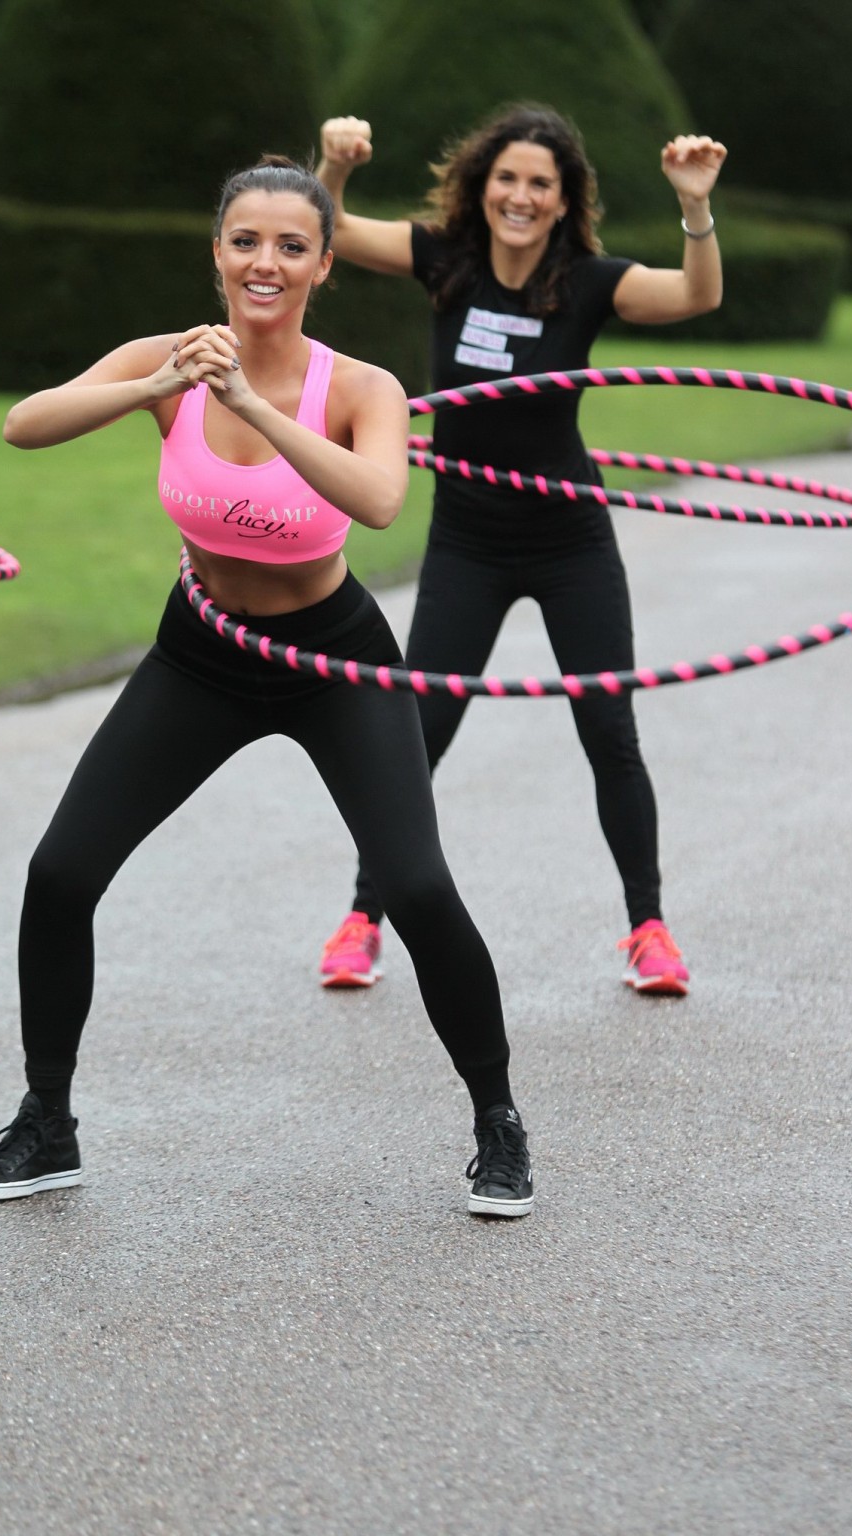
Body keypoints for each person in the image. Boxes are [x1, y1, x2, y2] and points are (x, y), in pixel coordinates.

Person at [0, 156, 533, 1218]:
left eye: (288, 245)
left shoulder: (362, 387)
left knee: (412, 886)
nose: (262, 262)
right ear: (216, 253)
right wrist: (159, 387)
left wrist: (253, 407)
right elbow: (22, 423)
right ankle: (47, 1121)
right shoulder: (165, 362)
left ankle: (497, 1123)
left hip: (337, 660)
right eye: (244, 241)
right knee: (61, 870)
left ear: (322, 264)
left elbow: (374, 501)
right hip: (203, 653)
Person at [315, 106, 727, 997]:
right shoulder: (445, 261)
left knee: (608, 730)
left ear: (563, 199)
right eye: (508, 177)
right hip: (467, 539)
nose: (521, 195)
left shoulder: (587, 281)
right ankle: (360, 917)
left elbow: (697, 296)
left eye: (541, 182)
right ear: (482, 184)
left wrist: (695, 208)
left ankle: (649, 929)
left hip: (568, 538)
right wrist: (333, 165)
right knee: (418, 733)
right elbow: (329, 231)